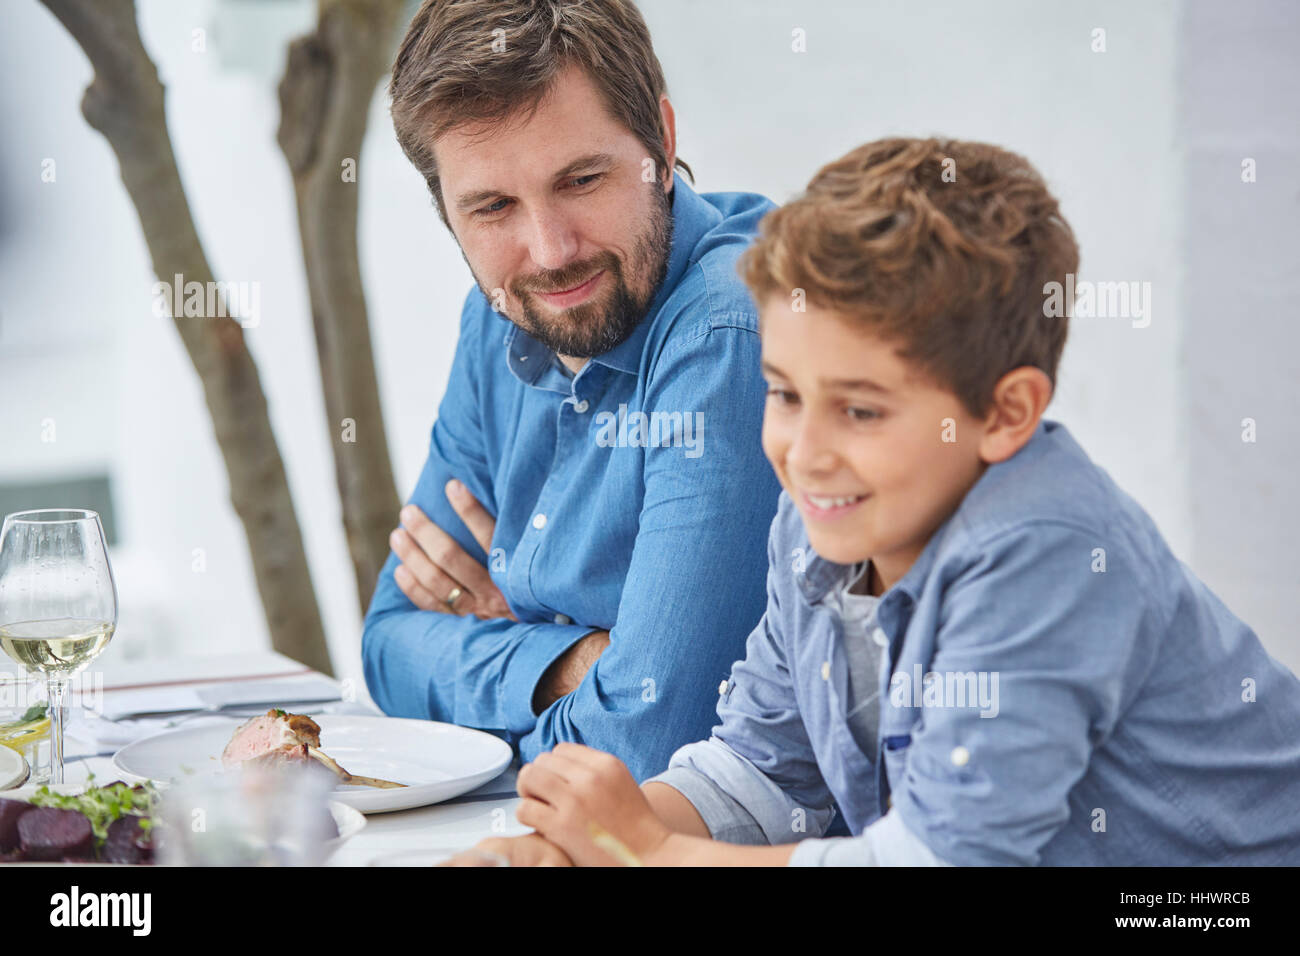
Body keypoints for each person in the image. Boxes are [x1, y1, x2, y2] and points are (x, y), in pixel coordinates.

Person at [460, 137, 1300, 866]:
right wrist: (587, 845)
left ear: (1006, 413)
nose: (805, 452)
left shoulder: (1043, 552)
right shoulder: (817, 524)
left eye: (860, 410)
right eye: (785, 394)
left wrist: (657, 855)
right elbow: (760, 771)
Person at [362, 0, 782, 781]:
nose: (551, 251)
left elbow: (647, 749)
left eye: (582, 179)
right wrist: (568, 659)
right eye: (492, 207)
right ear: (444, 209)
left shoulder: (729, 330)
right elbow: (387, 645)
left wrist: (497, 643)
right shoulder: (501, 315)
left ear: (662, 141)